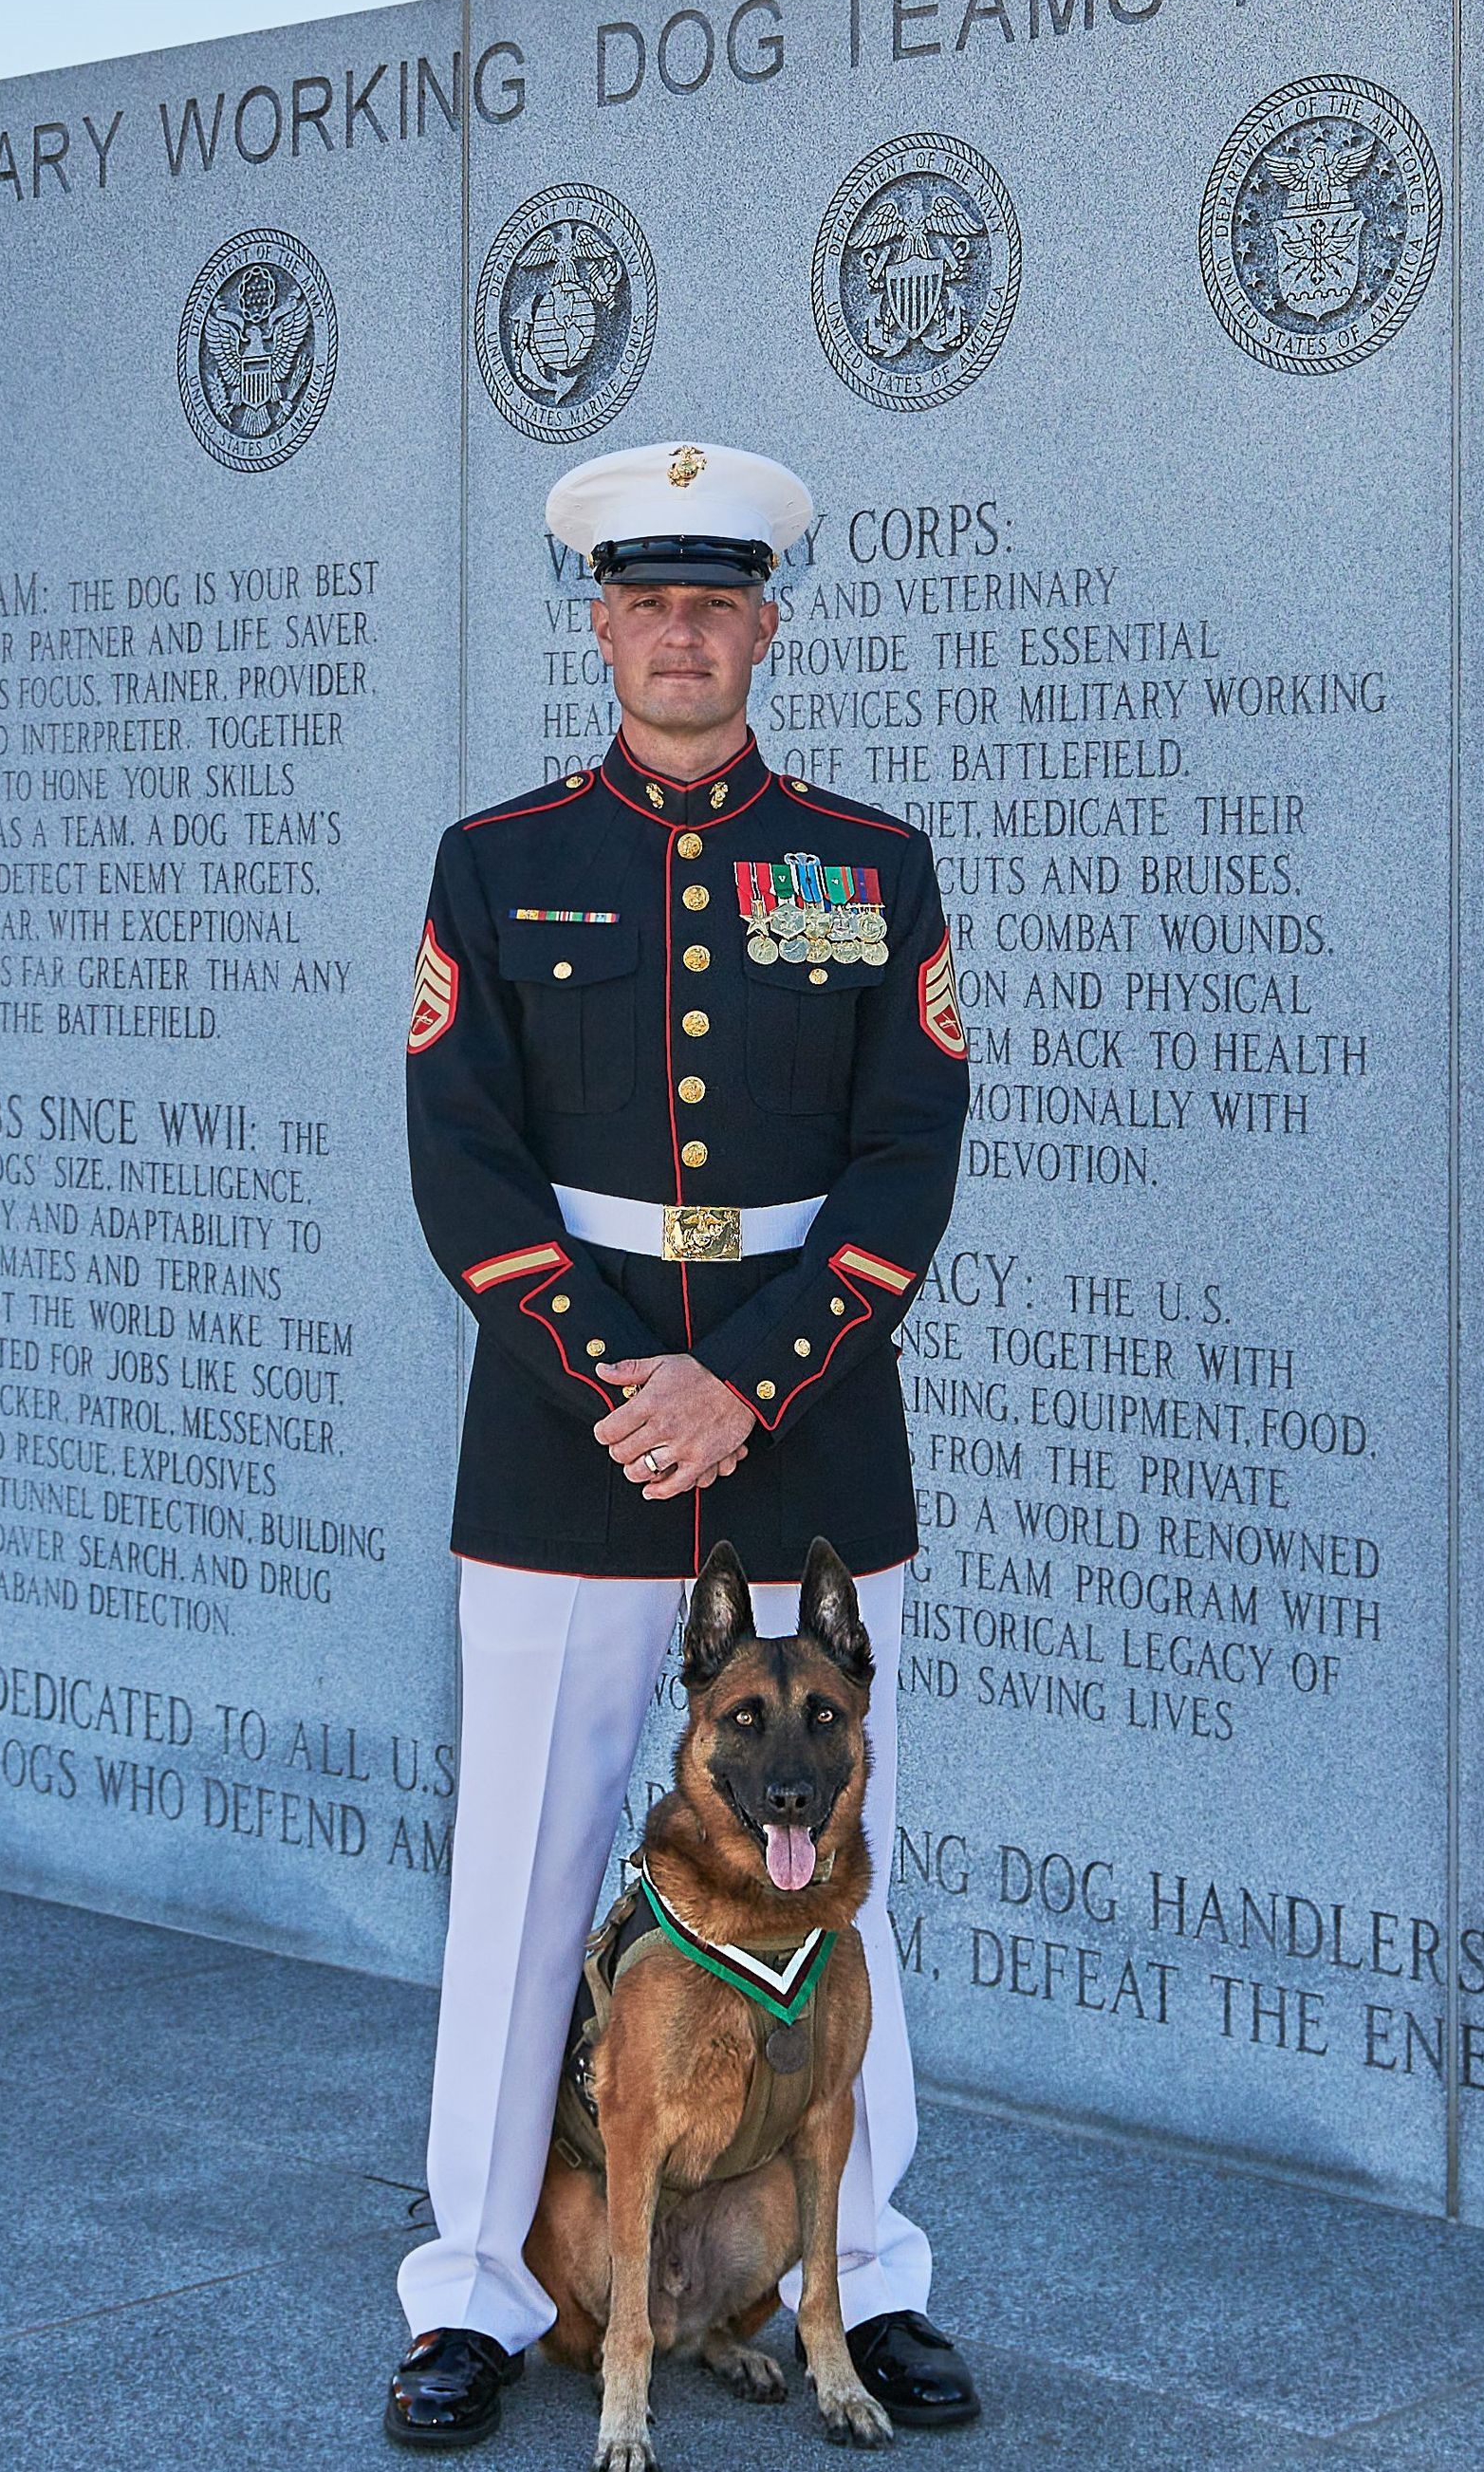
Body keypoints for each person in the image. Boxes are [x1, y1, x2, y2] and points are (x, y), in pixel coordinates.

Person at [385, 440, 977, 2447]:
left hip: (810, 1423)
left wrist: (754, 1375)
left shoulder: (869, 860)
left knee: (838, 1868)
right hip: (572, 1433)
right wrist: (622, 1375)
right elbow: (460, 1153)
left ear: (765, 629)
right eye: (648, 606)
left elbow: (911, 1147)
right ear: (605, 627)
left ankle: (867, 2273)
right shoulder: (499, 855)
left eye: (715, 605)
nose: (682, 634)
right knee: (530, 1866)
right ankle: (471, 2283)